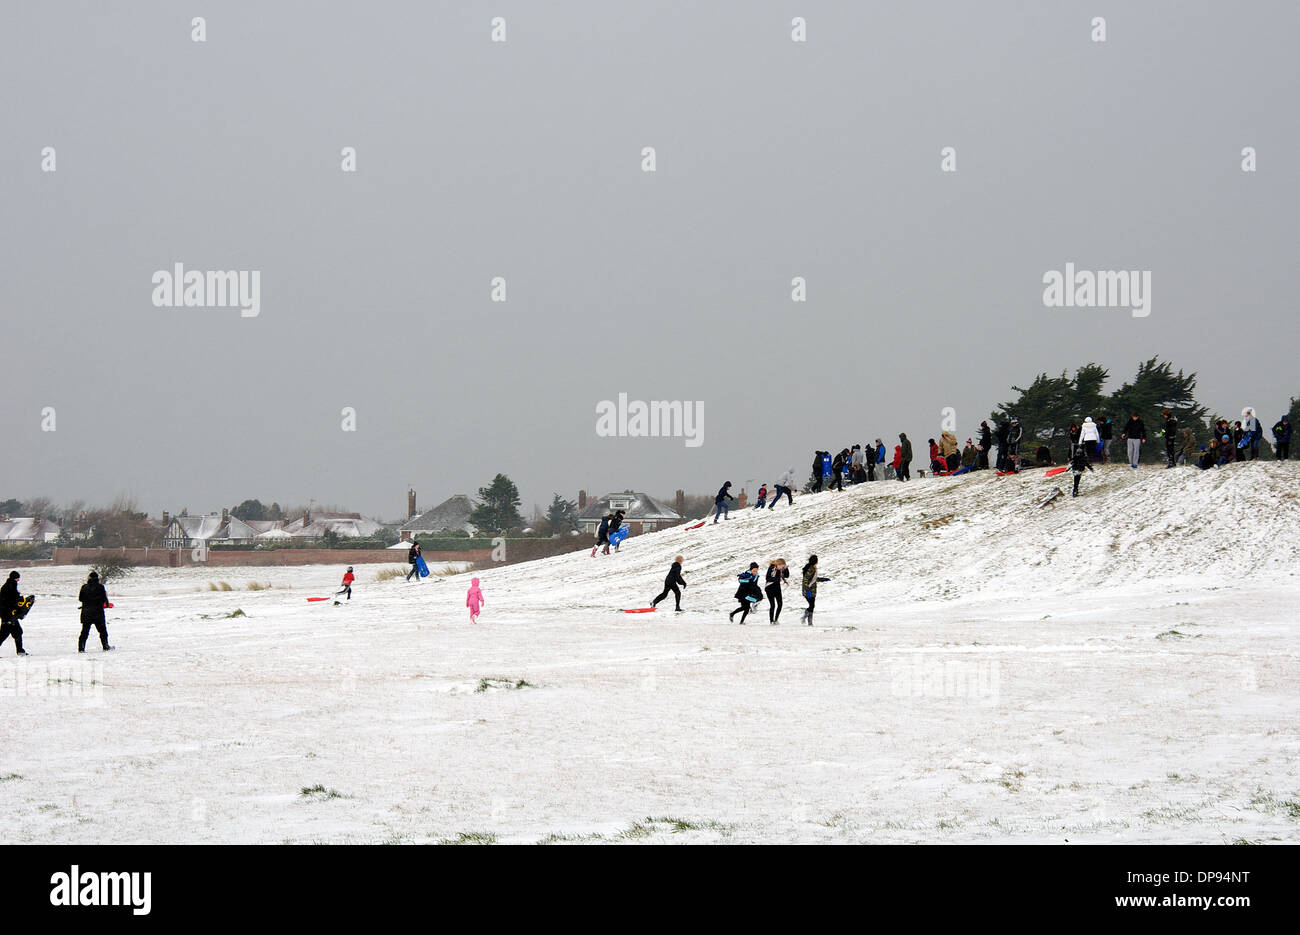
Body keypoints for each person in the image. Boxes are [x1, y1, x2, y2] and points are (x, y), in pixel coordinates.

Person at [77, 571, 112, 653]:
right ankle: (105, 646)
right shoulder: (101, 587)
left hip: (86, 612)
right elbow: (104, 599)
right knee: (102, 631)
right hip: (98, 612)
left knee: (84, 632)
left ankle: (81, 648)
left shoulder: (84, 587)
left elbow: (80, 599)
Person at [0, 571, 29, 656]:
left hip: (10, 615)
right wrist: (17, 603)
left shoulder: (10, 586)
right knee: (3, 634)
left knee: (18, 632)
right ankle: (20, 651)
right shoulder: (9, 587)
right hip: (8, 615)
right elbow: (7, 601)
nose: (18, 580)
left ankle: (20, 651)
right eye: (17, 578)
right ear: (14, 578)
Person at [800, 555, 829, 625]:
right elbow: (805, 580)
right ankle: (804, 617)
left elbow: (814, 579)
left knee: (812, 606)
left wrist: (823, 579)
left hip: (812, 591)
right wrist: (807, 591)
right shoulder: (811, 569)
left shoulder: (813, 568)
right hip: (808, 591)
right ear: (816, 562)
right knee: (812, 605)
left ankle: (810, 622)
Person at [764, 559, 789, 624]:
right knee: (773, 605)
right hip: (769, 588)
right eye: (781, 566)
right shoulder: (771, 568)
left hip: (777, 588)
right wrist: (778, 579)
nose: (782, 568)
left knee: (780, 604)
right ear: (777, 565)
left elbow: (787, 575)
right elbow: (768, 578)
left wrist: (786, 569)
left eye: (783, 567)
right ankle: (771, 621)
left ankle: (776, 619)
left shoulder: (781, 569)